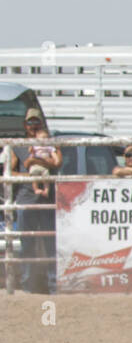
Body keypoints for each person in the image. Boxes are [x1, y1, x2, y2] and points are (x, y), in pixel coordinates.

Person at [15, 111, 62, 294]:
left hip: (48, 198)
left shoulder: (50, 142)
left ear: (41, 124)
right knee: (27, 243)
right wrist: (31, 172)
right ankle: (28, 285)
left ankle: (53, 285)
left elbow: (58, 162)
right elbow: (11, 171)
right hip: (27, 197)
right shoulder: (18, 145)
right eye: (30, 123)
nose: (33, 126)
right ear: (25, 125)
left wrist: (36, 160)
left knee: (50, 242)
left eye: (36, 122)